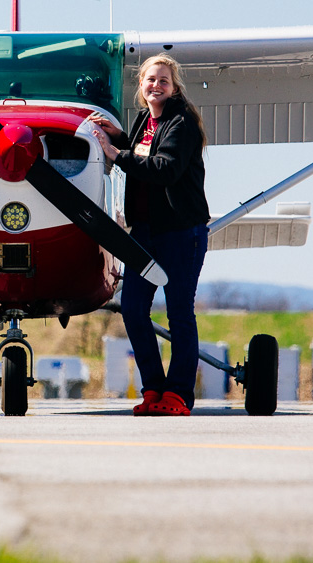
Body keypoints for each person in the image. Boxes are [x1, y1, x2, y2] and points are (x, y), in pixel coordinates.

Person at [92, 54, 209, 416]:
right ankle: (154, 390)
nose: (156, 86)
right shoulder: (146, 119)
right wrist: (119, 138)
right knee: (133, 309)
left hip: (180, 232)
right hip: (143, 232)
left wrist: (115, 153)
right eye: (150, 80)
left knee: (179, 314)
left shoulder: (182, 121)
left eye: (163, 81)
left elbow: (165, 168)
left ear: (174, 88)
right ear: (141, 87)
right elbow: (145, 149)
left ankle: (178, 395)